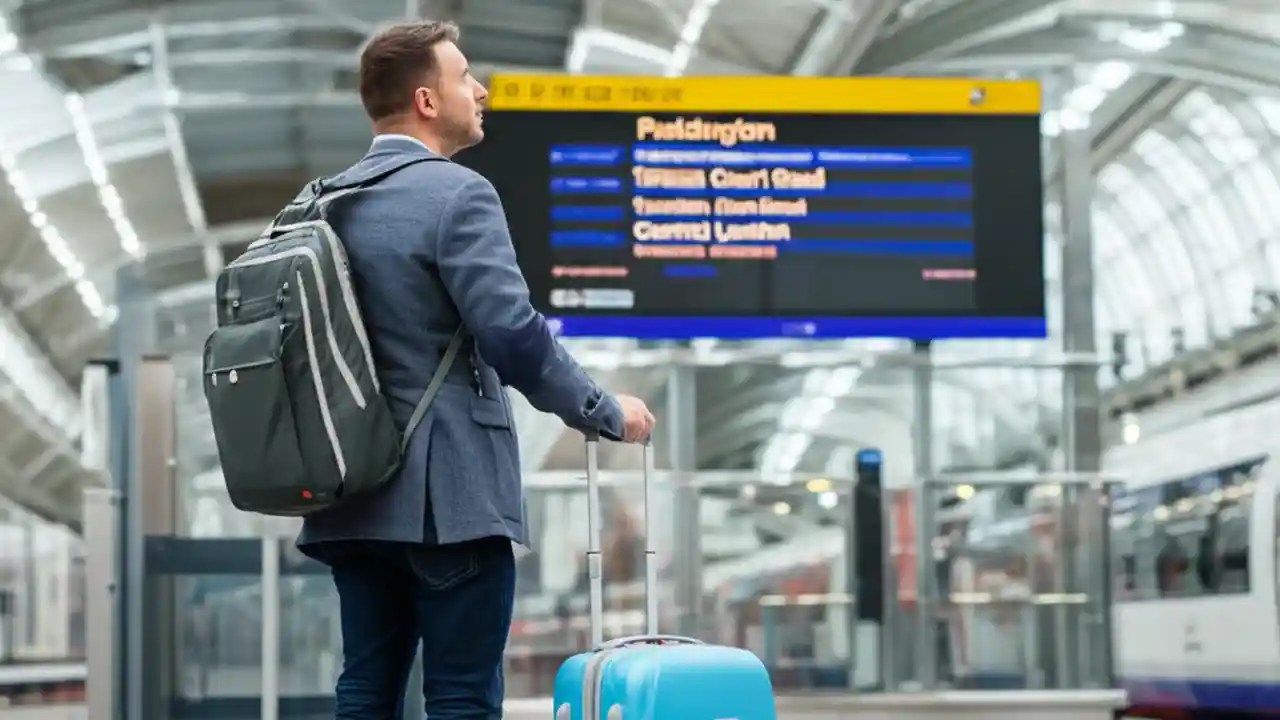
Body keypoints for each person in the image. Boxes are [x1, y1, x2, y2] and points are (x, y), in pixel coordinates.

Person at [293, 19, 656, 719]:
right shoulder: (458, 195)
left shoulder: (321, 204)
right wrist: (604, 410)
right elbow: (512, 335)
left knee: (364, 689)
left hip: (350, 499)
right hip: (448, 504)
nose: (480, 89)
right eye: (464, 77)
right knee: (460, 698)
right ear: (427, 100)